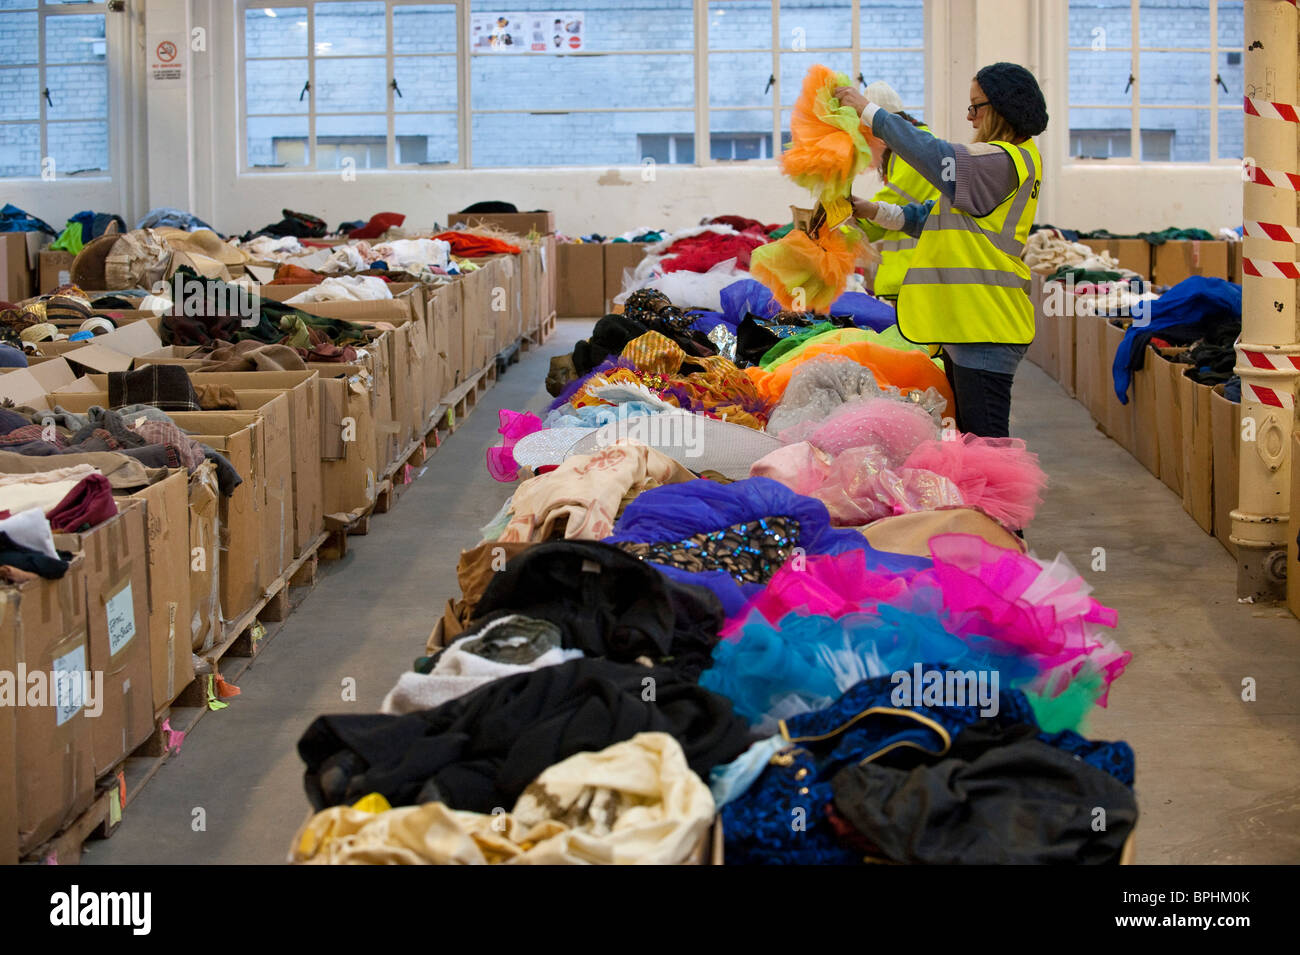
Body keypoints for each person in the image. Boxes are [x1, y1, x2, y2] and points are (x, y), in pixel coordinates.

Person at [834, 63, 1048, 439]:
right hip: (971, 324)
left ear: (998, 107)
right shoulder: (1004, 160)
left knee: (987, 448)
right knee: (972, 442)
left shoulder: (1000, 161)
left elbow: (934, 155)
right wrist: (873, 211)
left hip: (985, 325)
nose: (970, 117)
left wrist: (869, 112)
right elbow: (931, 217)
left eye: (975, 106)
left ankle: (993, 501)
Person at [853, 81, 941, 300]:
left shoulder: (911, 152)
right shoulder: (909, 148)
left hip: (917, 273)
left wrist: (844, 222)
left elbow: (889, 205)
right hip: (914, 274)